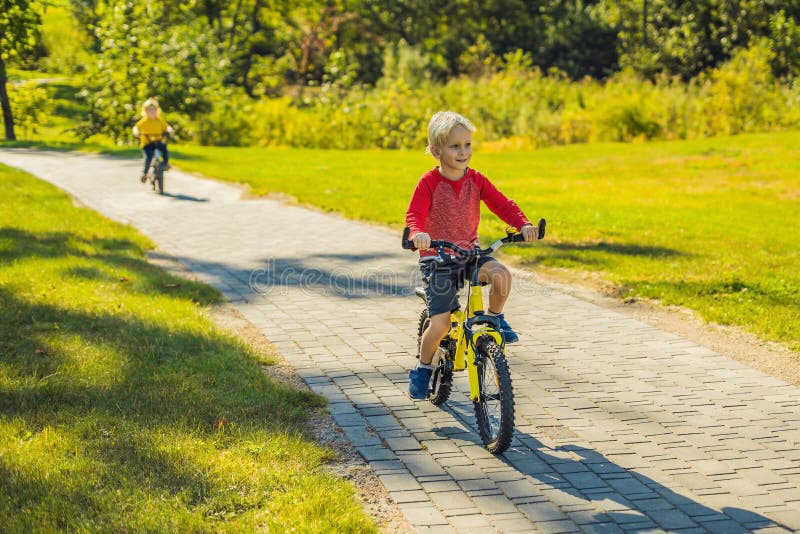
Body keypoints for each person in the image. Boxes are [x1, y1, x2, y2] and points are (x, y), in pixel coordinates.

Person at [405, 111, 539, 399]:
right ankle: (423, 367)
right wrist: (418, 233)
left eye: (467, 144)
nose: (463, 151)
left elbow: (503, 204)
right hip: (437, 259)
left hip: (468, 254)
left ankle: (495, 319)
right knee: (440, 324)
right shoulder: (428, 182)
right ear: (436, 150)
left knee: (502, 275)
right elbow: (414, 215)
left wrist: (523, 224)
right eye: (455, 146)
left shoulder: (476, 180)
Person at [132, 98, 173, 182]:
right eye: (149, 109)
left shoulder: (159, 120)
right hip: (147, 143)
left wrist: (170, 130)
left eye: (154, 109)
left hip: (158, 141)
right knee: (148, 158)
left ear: (157, 110)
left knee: (165, 151)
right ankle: (145, 173)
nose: (152, 111)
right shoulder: (144, 121)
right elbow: (136, 127)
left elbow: (167, 126)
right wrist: (136, 132)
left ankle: (165, 164)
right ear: (145, 111)